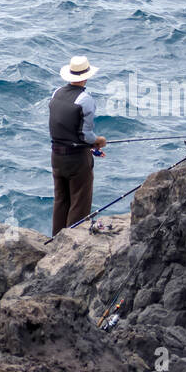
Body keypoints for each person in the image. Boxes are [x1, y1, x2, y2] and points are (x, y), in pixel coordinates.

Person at [47, 55, 108, 236]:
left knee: (61, 200)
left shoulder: (56, 93)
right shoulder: (85, 99)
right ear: (86, 76)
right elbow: (86, 135)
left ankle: (56, 239)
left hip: (56, 156)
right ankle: (71, 243)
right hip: (77, 159)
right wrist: (99, 142)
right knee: (79, 202)